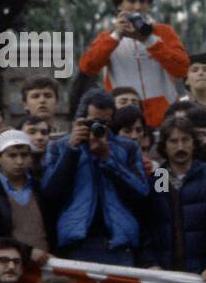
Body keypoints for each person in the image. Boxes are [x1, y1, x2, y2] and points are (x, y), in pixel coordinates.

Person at [41, 89, 150, 266]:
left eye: (105, 123)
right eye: (93, 122)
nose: (98, 128)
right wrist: (72, 150)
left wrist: (108, 158)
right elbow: (50, 194)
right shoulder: (60, 147)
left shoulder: (128, 148)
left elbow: (142, 194)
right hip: (76, 240)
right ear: (80, 120)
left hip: (119, 241)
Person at [79, 0, 191, 127]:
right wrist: (117, 35)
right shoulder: (107, 38)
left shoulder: (164, 32)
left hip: (165, 116)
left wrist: (148, 40)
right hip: (123, 117)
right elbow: (88, 67)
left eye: (143, 1)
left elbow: (182, 69)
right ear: (119, 5)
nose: (138, 7)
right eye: (131, 1)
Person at [140, 115, 206, 283]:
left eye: (185, 140)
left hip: (204, 272)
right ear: (164, 146)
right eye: (173, 141)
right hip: (166, 272)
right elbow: (151, 225)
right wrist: (151, 263)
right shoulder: (160, 177)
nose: (180, 147)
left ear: (194, 143)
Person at [0, 130, 53, 261]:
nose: (19, 161)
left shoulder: (40, 187)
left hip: (46, 263)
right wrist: (27, 251)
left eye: (24, 155)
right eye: (12, 156)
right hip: (8, 265)